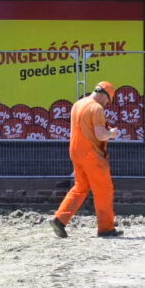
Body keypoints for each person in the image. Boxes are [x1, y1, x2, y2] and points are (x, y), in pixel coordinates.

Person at [52, 80, 121, 238]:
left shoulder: (78, 104)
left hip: (76, 151)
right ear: (105, 96)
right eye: (108, 100)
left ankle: (59, 219)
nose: (106, 104)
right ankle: (106, 228)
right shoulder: (96, 108)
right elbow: (100, 134)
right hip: (92, 154)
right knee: (103, 189)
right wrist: (111, 133)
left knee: (80, 187)